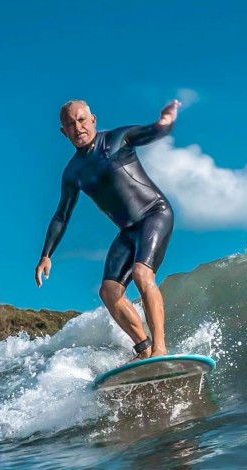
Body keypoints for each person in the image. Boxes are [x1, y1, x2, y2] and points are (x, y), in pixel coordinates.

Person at [35, 99, 180, 361]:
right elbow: (61, 215)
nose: (77, 127)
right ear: (63, 132)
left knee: (141, 274)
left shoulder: (118, 139)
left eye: (81, 120)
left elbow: (151, 132)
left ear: (93, 120)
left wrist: (165, 123)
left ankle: (160, 348)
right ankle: (144, 348)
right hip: (127, 231)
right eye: (70, 124)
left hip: (154, 214)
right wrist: (46, 255)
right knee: (109, 292)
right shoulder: (72, 173)